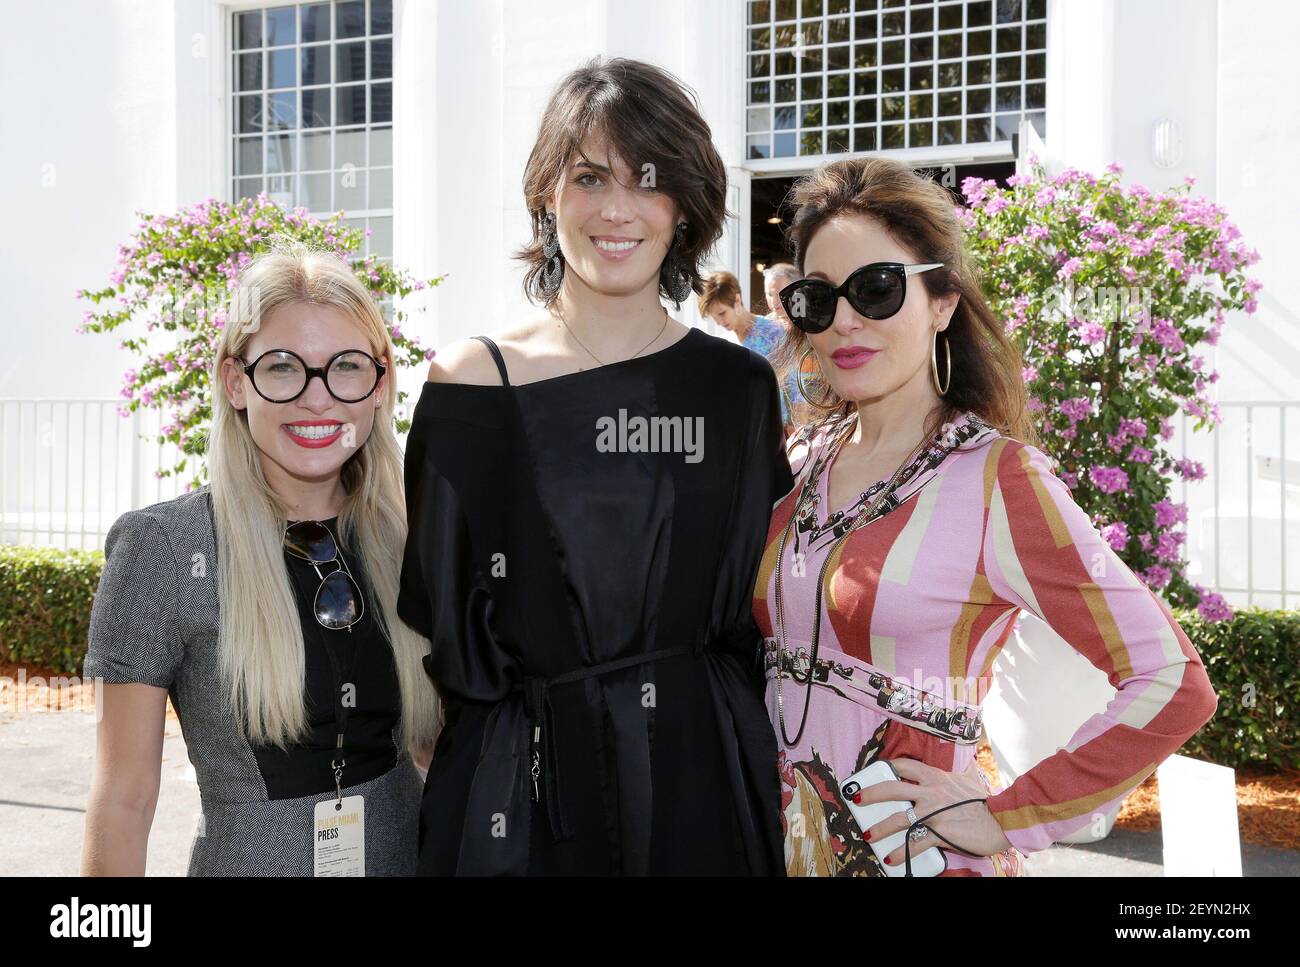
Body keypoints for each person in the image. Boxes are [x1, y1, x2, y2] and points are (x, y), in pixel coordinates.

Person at [753, 157, 1219, 877]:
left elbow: (1171, 681)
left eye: (876, 289)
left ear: (941, 302)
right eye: (817, 299)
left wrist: (1007, 814)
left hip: (917, 858)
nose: (844, 320)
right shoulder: (797, 461)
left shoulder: (999, 481)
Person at [396, 57, 792, 875]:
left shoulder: (739, 389)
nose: (617, 209)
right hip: (524, 788)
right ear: (547, 194)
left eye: (648, 181)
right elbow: (439, 613)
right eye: (588, 177)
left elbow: (762, 602)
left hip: (703, 774)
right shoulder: (470, 385)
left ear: (683, 206)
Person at [81, 241, 436, 876]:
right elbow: (123, 802)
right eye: (282, 367)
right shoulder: (162, 548)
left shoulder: (414, 537)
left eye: (347, 366)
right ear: (236, 382)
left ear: (380, 382)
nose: (317, 398)